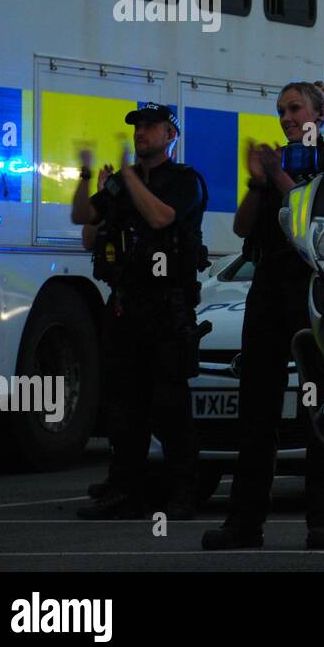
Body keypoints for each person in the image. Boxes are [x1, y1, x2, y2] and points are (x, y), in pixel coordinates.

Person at [202, 81, 324, 551]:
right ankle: (244, 522)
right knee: (257, 409)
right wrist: (258, 182)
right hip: (267, 289)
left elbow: (313, 221)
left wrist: (277, 176)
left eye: (295, 108)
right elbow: (241, 227)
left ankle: (323, 520)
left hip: (312, 289)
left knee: (318, 405)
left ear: (320, 111)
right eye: (281, 110)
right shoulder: (276, 159)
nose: (286, 117)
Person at [74, 103, 208, 520]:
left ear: (171, 135)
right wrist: (86, 177)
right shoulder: (121, 187)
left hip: (167, 307)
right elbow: (84, 221)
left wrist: (129, 180)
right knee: (123, 405)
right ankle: (124, 489)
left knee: (169, 404)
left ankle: (183, 491)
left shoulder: (184, 181)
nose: (141, 133)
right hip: (126, 305)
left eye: (151, 127)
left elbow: (162, 217)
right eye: (137, 127)